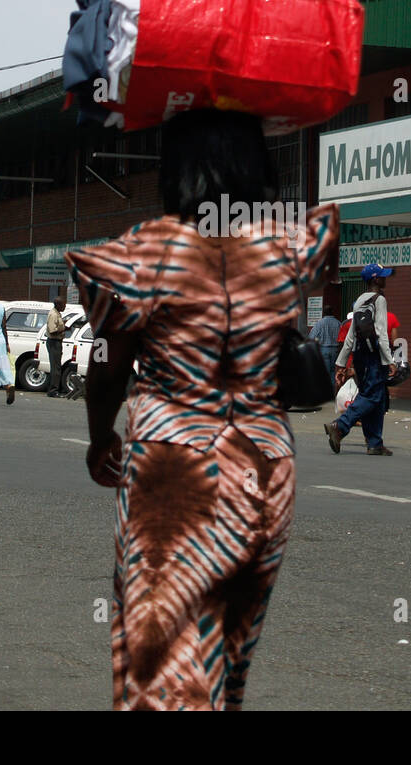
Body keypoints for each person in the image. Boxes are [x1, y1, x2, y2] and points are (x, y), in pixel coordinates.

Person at [66, 108, 339, 711]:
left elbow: (108, 364)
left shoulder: (144, 255)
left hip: (176, 463)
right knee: (228, 658)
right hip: (268, 464)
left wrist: (99, 437)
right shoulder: (287, 247)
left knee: (162, 669)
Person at [324, 264, 397, 457]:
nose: (385, 279)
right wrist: (389, 360)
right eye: (382, 276)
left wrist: (341, 361)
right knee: (372, 396)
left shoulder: (358, 302)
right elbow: (381, 332)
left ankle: (375, 443)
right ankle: (339, 426)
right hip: (373, 355)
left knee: (377, 398)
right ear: (375, 280)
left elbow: (350, 335)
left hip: (359, 355)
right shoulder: (379, 299)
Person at [45, 297, 68, 396]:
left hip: (57, 342)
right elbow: (52, 330)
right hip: (54, 342)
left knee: (56, 366)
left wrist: (63, 325)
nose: (65, 306)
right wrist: (63, 328)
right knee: (56, 368)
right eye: (63, 304)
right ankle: (53, 391)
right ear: (58, 304)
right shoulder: (53, 314)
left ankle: (54, 388)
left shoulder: (58, 314)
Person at [308, 304, 342, 371]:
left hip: (324, 349)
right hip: (335, 350)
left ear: (323, 313)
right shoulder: (338, 323)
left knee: (325, 371)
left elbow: (311, 337)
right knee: (334, 371)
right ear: (332, 312)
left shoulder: (319, 323)